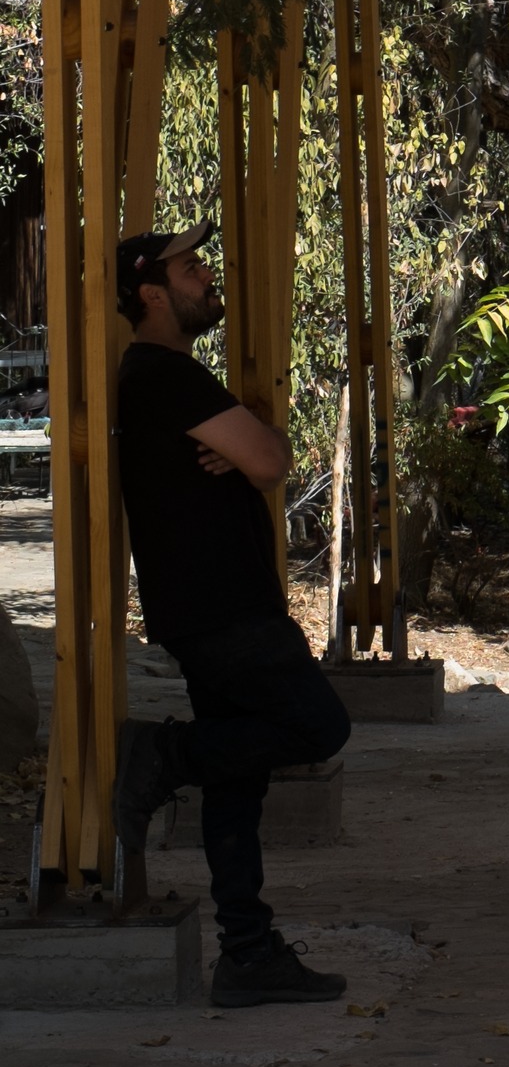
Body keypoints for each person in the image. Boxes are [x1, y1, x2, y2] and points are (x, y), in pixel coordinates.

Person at [110, 224, 351, 1007]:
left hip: (207, 603)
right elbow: (273, 461)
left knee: (238, 780)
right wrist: (254, 442)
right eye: (189, 268)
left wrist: (249, 442)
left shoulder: (167, 380)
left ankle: (246, 953)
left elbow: (261, 459)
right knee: (319, 726)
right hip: (223, 606)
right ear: (152, 293)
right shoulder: (164, 376)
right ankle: (164, 755)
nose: (206, 275)